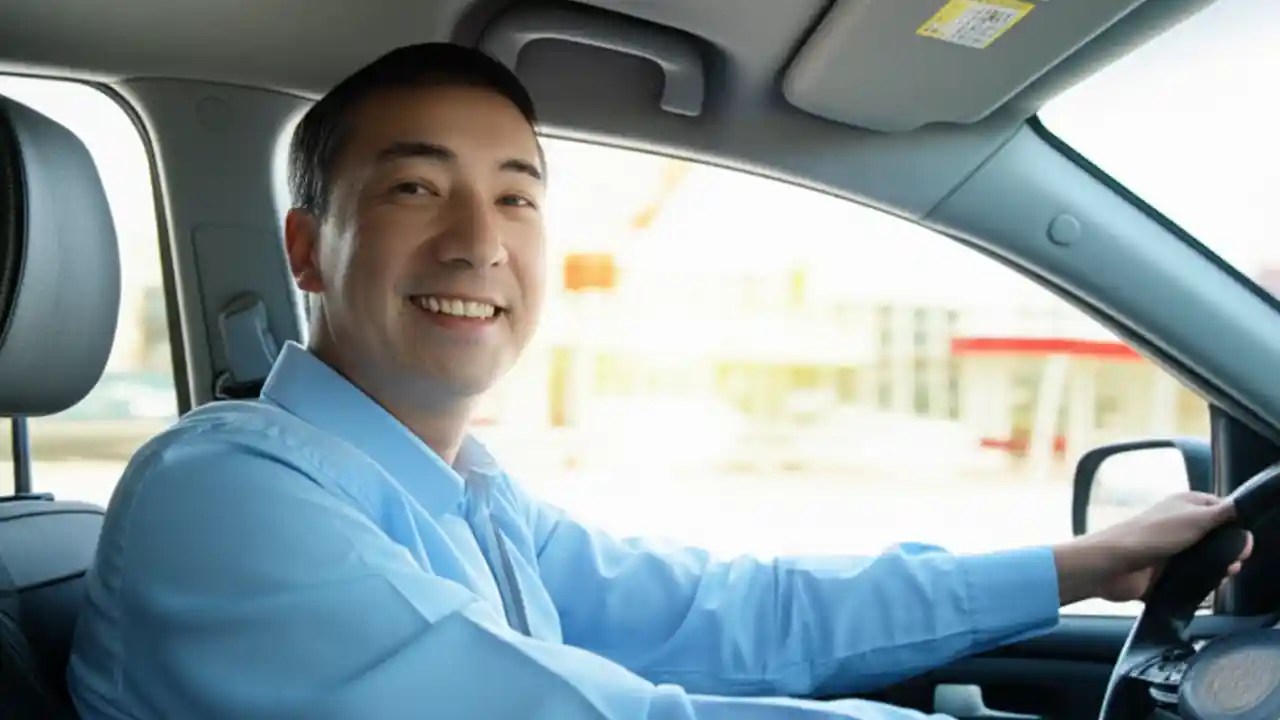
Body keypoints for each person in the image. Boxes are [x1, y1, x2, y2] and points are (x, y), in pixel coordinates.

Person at [67, 43, 1251, 720]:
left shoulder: (467, 498)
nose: (481, 240)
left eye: (518, 195)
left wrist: (1079, 565)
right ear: (303, 249)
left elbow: (728, 616)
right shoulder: (220, 493)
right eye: (415, 188)